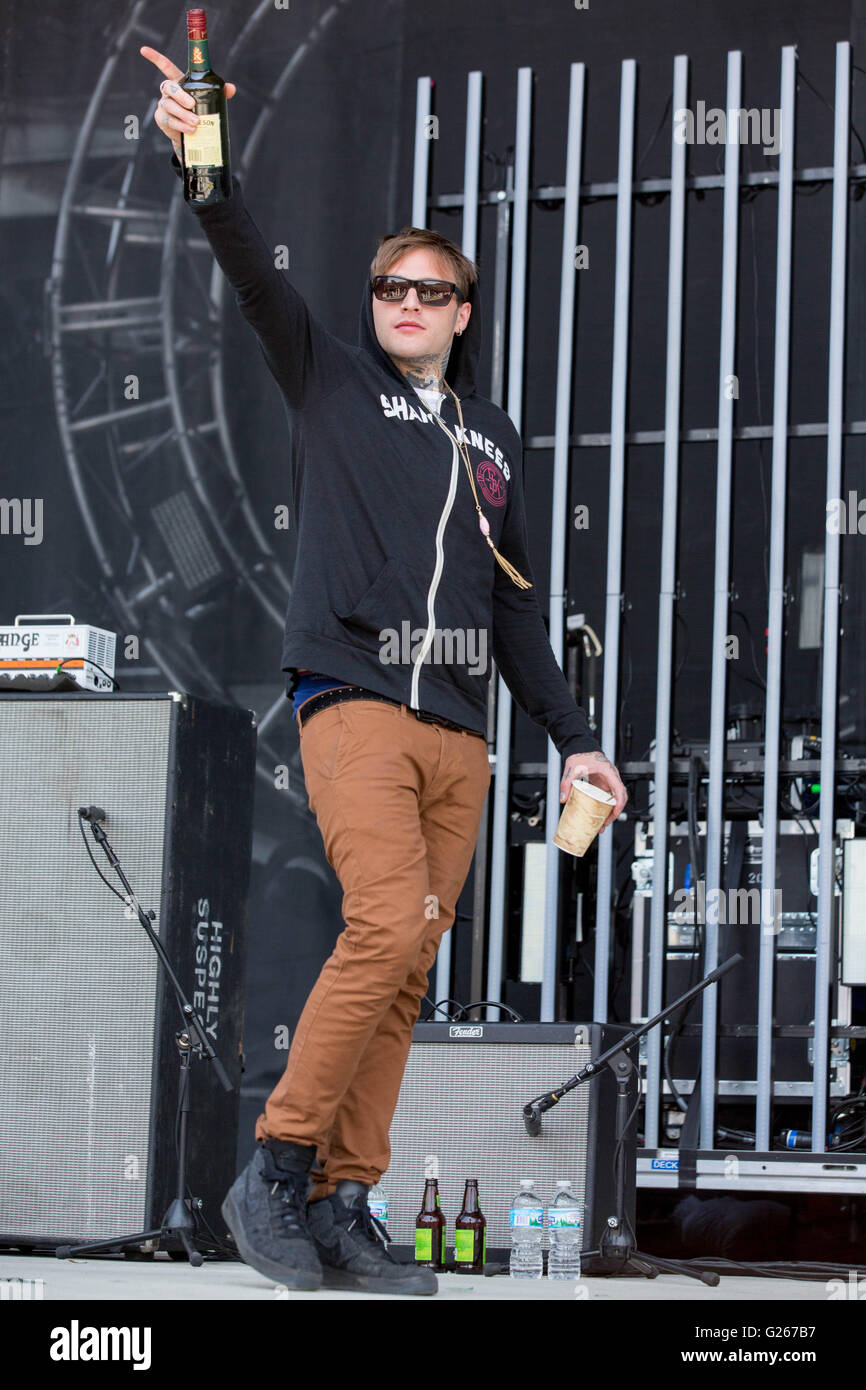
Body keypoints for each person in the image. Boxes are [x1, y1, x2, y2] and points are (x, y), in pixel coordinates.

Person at [142, 46, 627, 1296]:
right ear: (370, 303)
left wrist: (573, 736)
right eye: (389, 287)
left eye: (431, 290)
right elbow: (251, 271)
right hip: (353, 697)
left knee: (410, 963)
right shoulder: (329, 378)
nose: (405, 302)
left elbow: (518, 617)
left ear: (464, 313)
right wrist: (205, 165)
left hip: (459, 732)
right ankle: (275, 1166)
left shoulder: (495, 441)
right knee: (377, 925)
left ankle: (347, 1199)